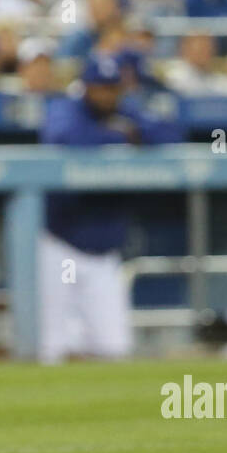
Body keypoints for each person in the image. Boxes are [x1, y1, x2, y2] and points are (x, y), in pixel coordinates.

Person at [36, 54, 181, 363]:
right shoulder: (66, 110)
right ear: (86, 87)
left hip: (105, 254)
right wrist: (121, 136)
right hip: (61, 246)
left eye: (112, 88)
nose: (106, 94)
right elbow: (66, 138)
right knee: (51, 349)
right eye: (100, 88)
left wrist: (131, 132)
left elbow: (171, 133)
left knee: (114, 349)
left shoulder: (126, 112)